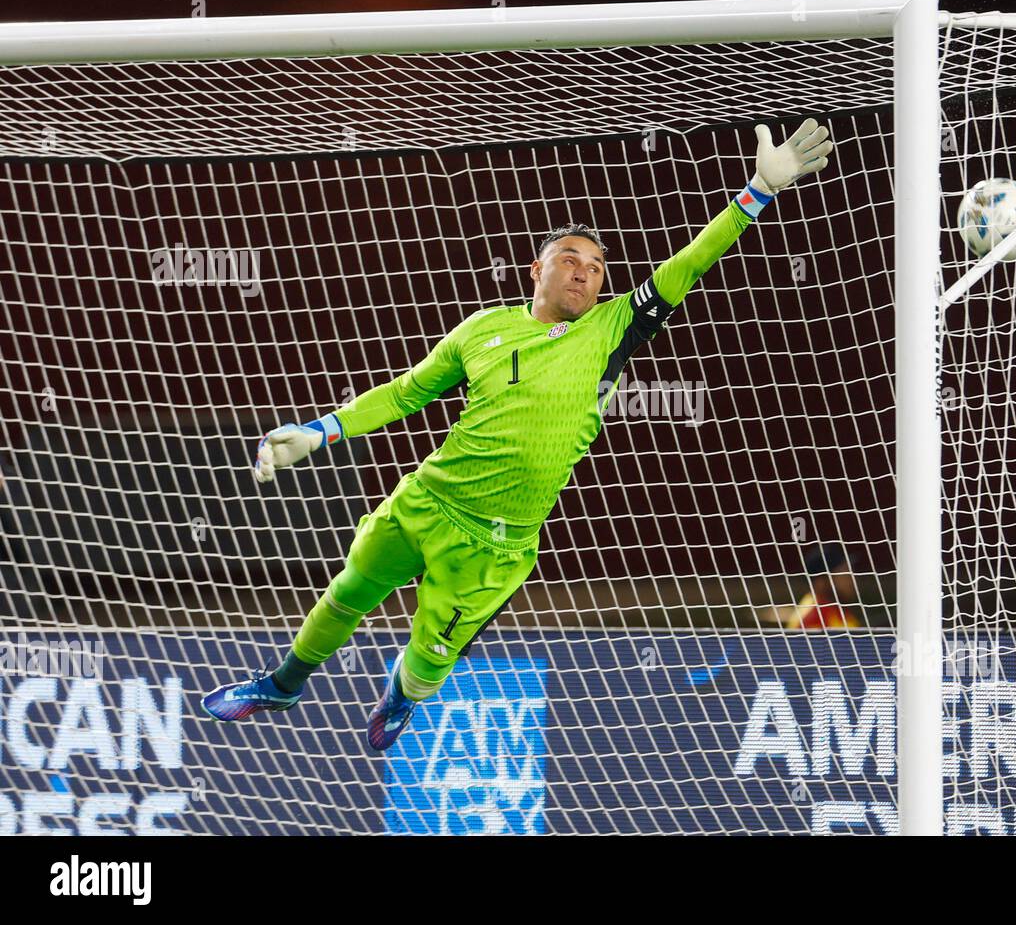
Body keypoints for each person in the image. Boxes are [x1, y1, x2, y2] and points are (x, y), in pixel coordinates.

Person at [202, 117, 835, 749]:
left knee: (426, 667)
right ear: (537, 269)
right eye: (569, 260)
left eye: (596, 266)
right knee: (346, 594)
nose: (585, 273)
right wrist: (321, 430)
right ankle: (282, 686)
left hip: (494, 545)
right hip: (425, 499)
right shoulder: (483, 328)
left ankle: (401, 695)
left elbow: (689, 261)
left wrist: (757, 192)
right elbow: (405, 393)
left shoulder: (615, 327)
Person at [784, 543, 864, 630]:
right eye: (844, 575)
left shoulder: (835, 609)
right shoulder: (813, 616)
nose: (852, 580)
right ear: (820, 582)